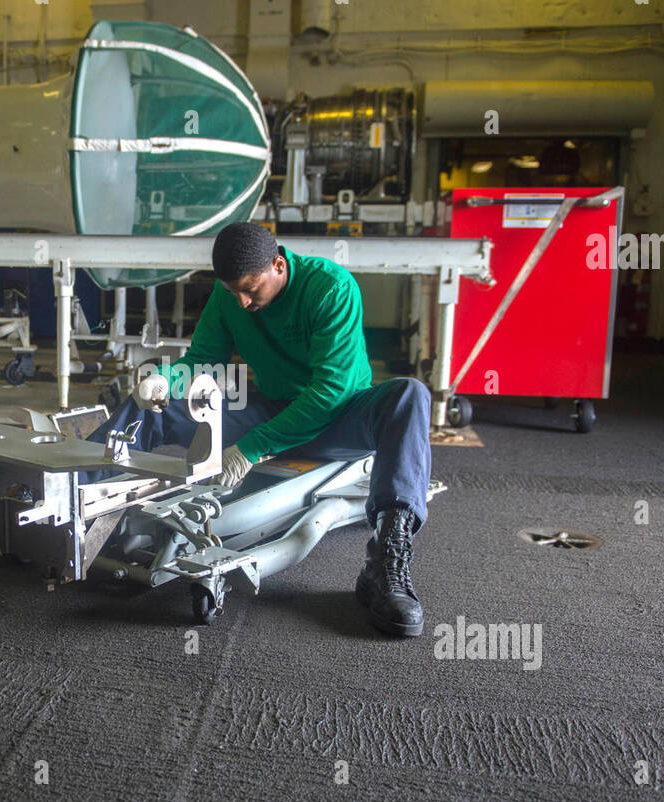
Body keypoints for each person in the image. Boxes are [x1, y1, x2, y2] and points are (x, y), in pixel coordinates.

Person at [84, 222, 434, 637]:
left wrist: (252, 448)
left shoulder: (330, 288)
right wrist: (165, 379)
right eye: (234, 292)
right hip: (273, 408)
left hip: (340, 416)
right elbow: (202, 360)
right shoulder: (229, 294)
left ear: (279, 265)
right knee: (154, 409)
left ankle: (387, 562)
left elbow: (330, 391)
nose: (243, 301)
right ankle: (73, 497)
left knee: (409, 396)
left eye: (252, 289)